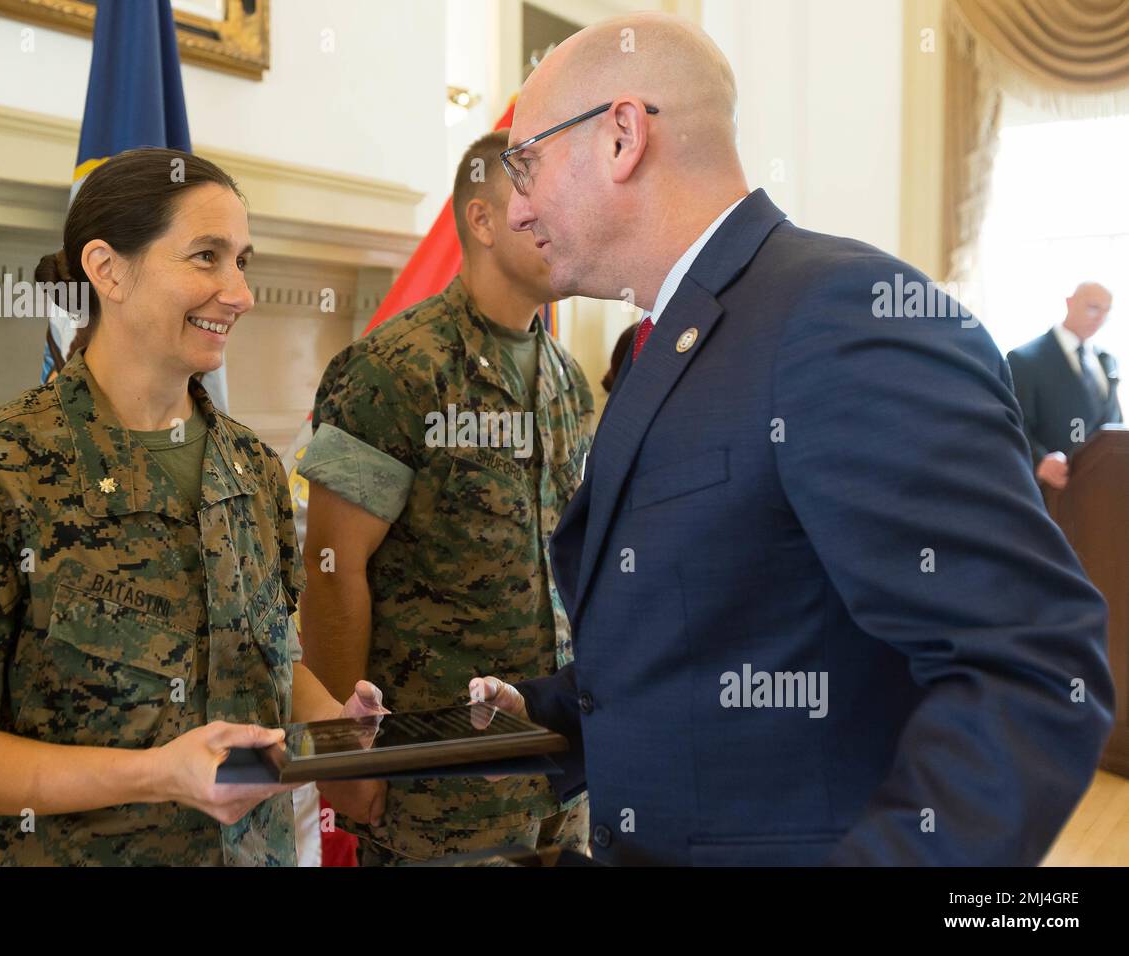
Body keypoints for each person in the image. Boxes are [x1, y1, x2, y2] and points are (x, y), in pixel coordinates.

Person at [470, 13, 1114, 866]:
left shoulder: (842, 318)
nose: (514, 209)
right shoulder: (672, 337)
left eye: (525, 163)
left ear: (623, 135)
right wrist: (549, 713)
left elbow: (1030, 673)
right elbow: (730, 631)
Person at [0, 147, 385, 866]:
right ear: (107, 270)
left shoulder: (254, 470)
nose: (238, 292)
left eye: (243, 261)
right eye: (206, 257)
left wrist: (337, 729)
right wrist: (156, 774)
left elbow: (267, 656)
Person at [297, 131, 594, 864]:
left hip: (557, 771)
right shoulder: (393, 371)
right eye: (533, 201)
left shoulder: (567, 376)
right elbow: (332, 568)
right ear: (482, 221)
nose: (559, 220)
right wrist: (346, 756)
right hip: (436, 785)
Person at [1007, 282, 1120, 490]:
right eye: (1093, 307)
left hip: (1105, 492)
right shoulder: (1025, 360)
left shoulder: (1107, 360)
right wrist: (1039, 460)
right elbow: (1014, 423)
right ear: (1069, 303)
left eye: (1107, 311)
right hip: (1053, 491)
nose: (1100, 318)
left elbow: (1113, 422)